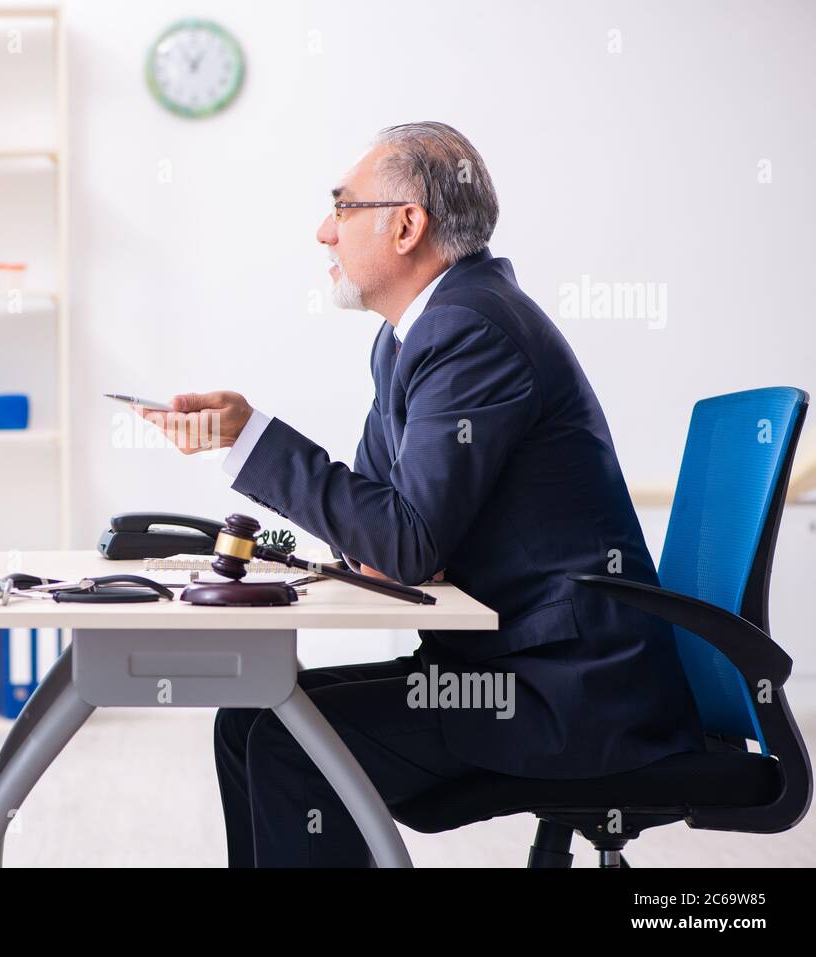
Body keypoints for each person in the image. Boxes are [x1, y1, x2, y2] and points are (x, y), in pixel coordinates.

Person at [139, 122, 705, 867]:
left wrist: (254, 441)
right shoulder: (412, 334)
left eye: (341, 208)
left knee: (286, 740)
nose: (322, 232)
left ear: (407, 225)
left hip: (565, 694)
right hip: (513, 669)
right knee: (253, 717)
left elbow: (405, 544)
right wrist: (248, 440)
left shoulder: (471, 328)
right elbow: (380, 532)